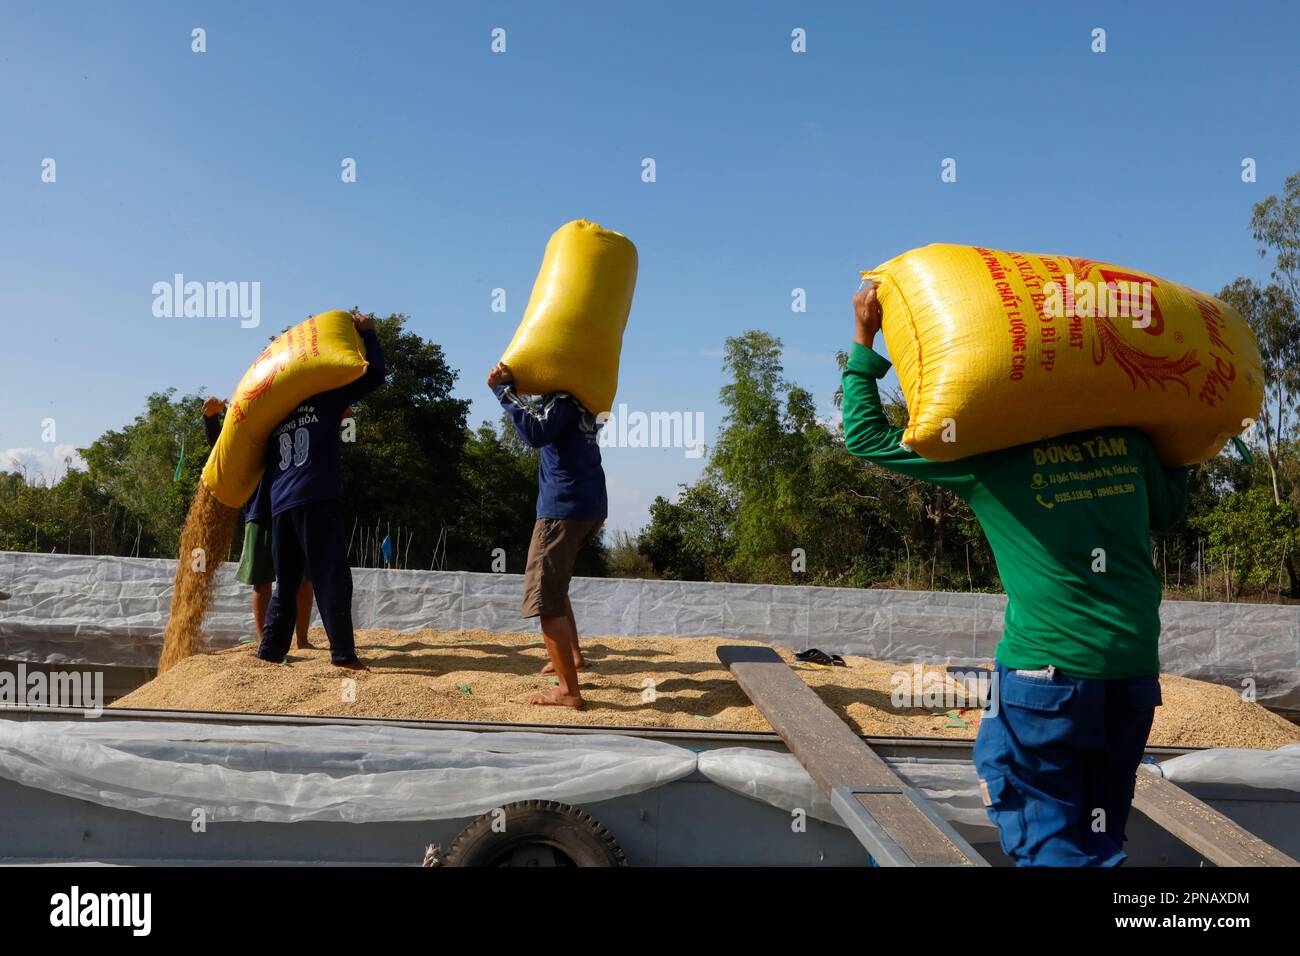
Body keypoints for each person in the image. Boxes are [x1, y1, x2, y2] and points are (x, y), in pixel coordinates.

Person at [841, 283, 1189, 866]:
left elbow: (866, 437)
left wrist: (864, 336)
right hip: (1132, 676)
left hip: (1045, 680)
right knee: (1098, 836)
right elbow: (1171, 511)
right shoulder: (1128, 444)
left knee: (1045, 836)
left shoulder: (991, 455)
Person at [256, 311, 386, 670]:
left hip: (281, 504)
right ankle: (343, 656)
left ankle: (269, 652)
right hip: (315, 497)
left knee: (286, 583)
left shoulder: (275, 413)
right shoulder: (324, 399)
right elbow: (375, 375)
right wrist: (370, 335)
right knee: (332, 577)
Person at [487, 361, 606, 709]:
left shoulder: (564, 398)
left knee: (544, 598)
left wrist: (503, 391)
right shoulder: (587, 400)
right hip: (590, 506)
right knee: (557, 584)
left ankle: (569, 691)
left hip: (562, 509)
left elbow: (535, 433)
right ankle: (572, 655)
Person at [203, 397, 314, 648]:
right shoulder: (248, 436)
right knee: (262, 580)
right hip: (260, 511)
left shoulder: (293, 424)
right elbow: (221, 447)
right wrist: (210, 419)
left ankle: (303, 640)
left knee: (305, 579)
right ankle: (264, 639)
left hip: (293, 508)